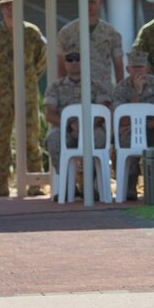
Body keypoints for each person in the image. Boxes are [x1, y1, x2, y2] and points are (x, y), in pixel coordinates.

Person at [0, 0, 48, 198]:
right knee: (1, 138)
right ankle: (2, 182)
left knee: (31, 137)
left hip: (27, 94)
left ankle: (34, 182)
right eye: (7, 5)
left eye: (14, 4)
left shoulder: (32, 33)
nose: (10, 8)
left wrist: (28, 77)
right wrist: (1, 77)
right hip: (2, 95)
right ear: (2, 8)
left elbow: (42, 59)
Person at [43, 49, 111, 200]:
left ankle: (90, 185)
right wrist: (70, 126)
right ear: (65, 63)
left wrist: (85, 128)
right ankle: (67, 186)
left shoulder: (97, 86)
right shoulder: (55, 87)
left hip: (91, 128)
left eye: (78, 59)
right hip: (65, 129)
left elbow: (103, 111)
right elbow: (50, 114)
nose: (74, 62)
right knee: (53, 138)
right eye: (70, 59)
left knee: (100, 138)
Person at [111, 49, 154, 201]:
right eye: (135, 68)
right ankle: (128, 185)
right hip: (131, 131)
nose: (138, 71)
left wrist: (144, 125)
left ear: (148, 68)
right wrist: (137, 94)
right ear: (128, 69)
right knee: (124, 135)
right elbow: (121, 120)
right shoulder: (120, 89)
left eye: (141, 67)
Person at [55, 0, 124, 96]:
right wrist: (62, 92)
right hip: (74, 93)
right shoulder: (67, 33)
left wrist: (120, 94)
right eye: (85, 2)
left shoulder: (111, 33)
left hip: (104, 93)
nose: (89, 6)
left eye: (92, 2)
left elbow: (118, 65)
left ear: (100, 2)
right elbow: (60, 64)